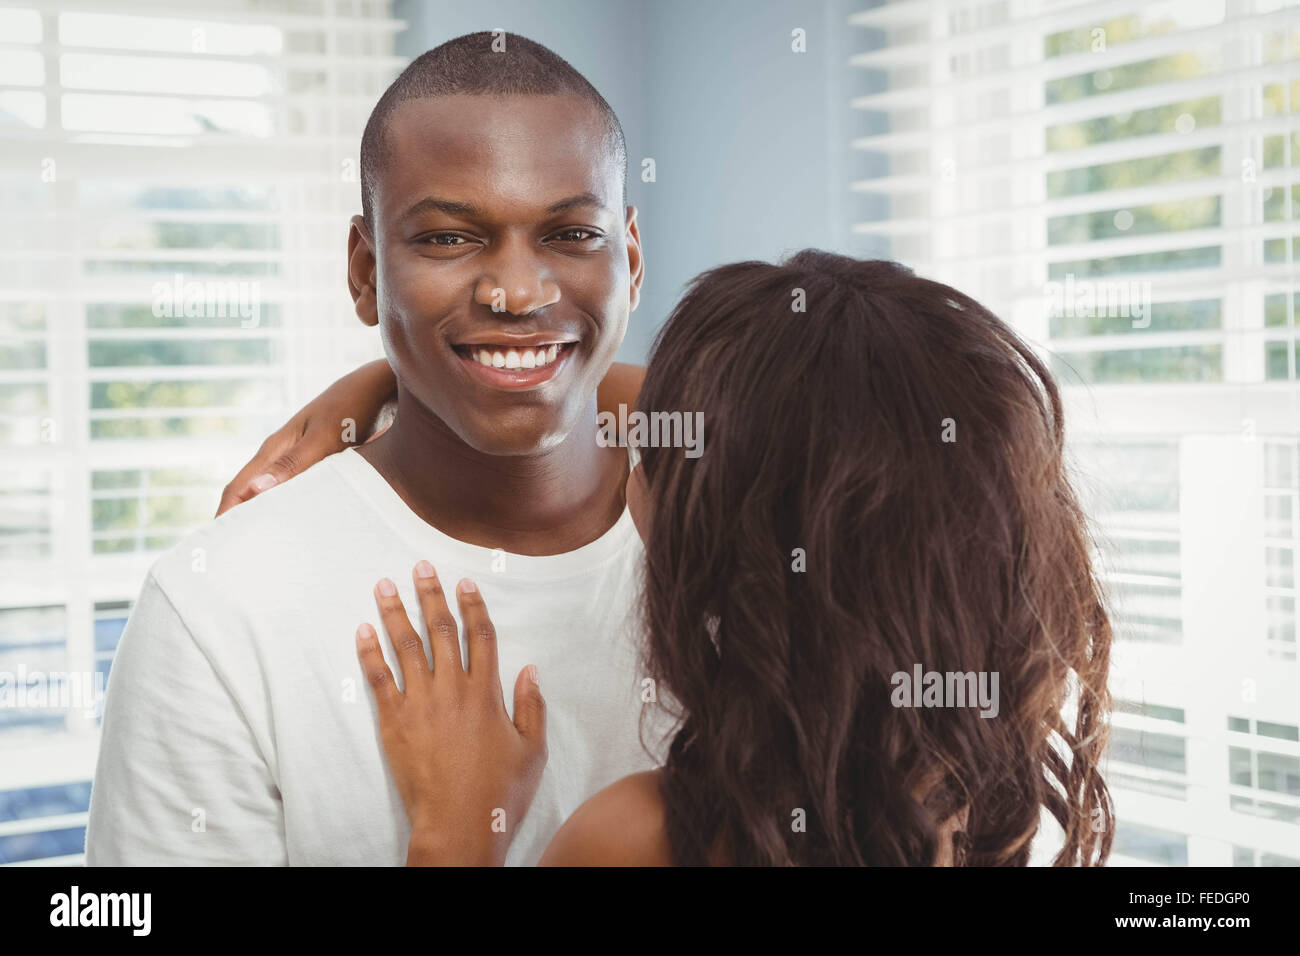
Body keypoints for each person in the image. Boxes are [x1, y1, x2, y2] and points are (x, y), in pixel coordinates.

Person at [238, 253, 1116, 866]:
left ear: (718, 540)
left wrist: (457, 835)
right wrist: (413, 378)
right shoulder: (970, 790)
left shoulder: (639, 841)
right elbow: (807, 435)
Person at [85, 31, 668, 866]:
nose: (517, 292)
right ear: (365, 272)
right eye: (447, 239)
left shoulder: (759, 547)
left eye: (571, 235)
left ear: (631, 259)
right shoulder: (219, 609)